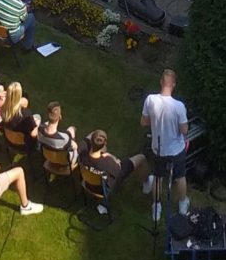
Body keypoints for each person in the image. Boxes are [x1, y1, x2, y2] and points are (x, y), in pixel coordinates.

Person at [141, 68, 190, 218]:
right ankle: (182, 204)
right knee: (180, 177)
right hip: (176, 150)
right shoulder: (179, 106)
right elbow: (184, 130)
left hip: (158, 148)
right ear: (173, 85)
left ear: (161, 82)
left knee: (157, 177)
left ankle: (156, 206)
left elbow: (143, 122)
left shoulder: (150, 100)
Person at [81, 128, 147, 214]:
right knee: (141, 158)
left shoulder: (83, 156)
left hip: (87, 184)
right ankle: (147, 183)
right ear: (104, 144)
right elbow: (118, 169)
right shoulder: (107, 162)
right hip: (103, 189)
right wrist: (113, 159)